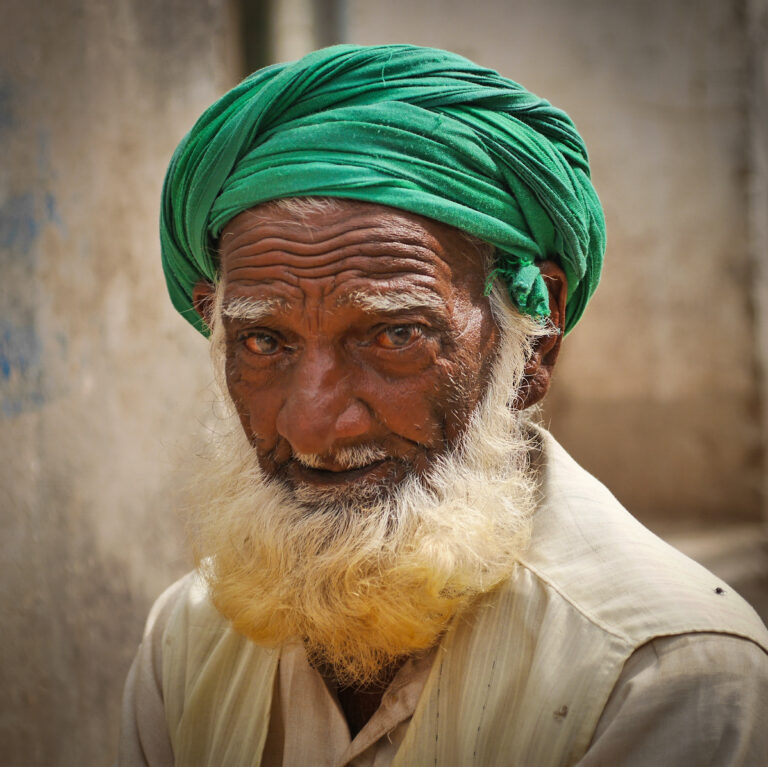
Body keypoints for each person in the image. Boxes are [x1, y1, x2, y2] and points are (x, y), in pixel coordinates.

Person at [119, 45, 768, 766]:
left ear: (538, 337)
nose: (311, 424)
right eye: (265, 341)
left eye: (394, 334)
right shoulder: (185, 640)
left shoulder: (664, 676)